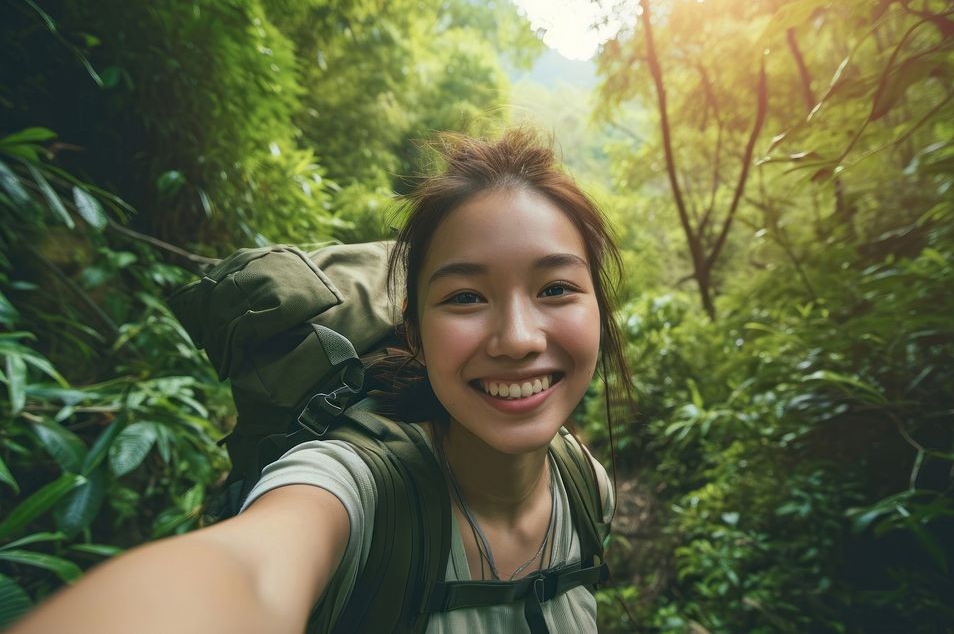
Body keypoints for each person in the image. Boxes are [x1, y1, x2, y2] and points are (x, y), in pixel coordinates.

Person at [11, 127, 631, 633]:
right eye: (466, 297)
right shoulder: (352, 491)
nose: (519, 338)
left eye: (556, 288)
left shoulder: (585, 488)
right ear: (414, 331)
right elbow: (247, 571)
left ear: (598, 308)